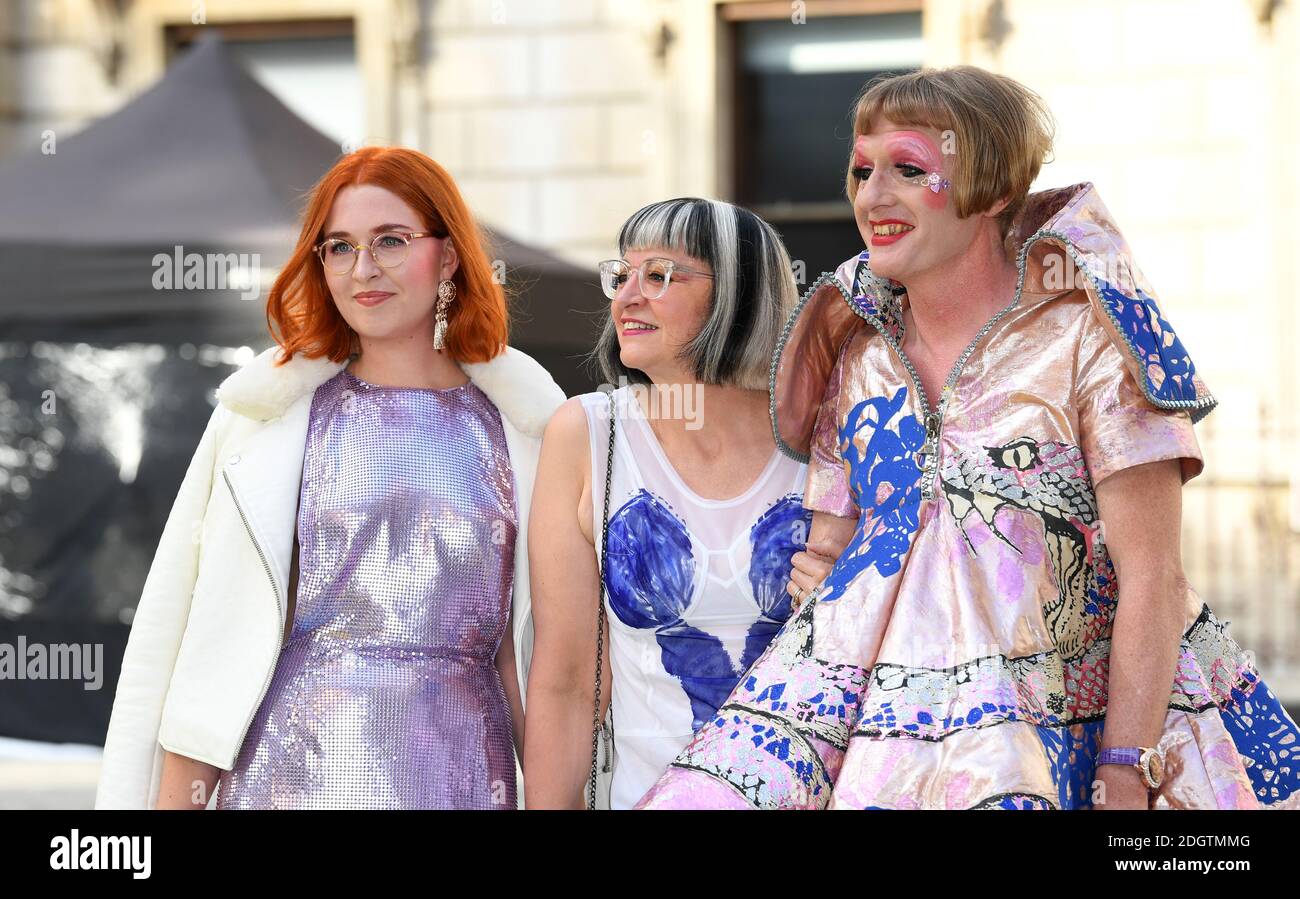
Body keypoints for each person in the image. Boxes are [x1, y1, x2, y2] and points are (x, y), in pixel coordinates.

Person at [637, 66, 1300, 810]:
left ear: (989, 189)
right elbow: (825, 560)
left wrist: (1124, 767)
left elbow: (1154, 576)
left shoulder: (1088, 337)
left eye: (908, 169)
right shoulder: (856, 356)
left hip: (1065, 745)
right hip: (882, 749)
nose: (870, 196)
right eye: (862, 170)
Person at [95, 146, 564, 809]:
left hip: (460, 775)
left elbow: (529, 663)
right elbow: (210, 643)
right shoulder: (266, 419)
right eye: (338, 247)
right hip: (286, 775)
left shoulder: (528, 430)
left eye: (391, 241)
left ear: (450, 255)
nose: (363, 269)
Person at [523, 198, 850, 808]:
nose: (626, 296)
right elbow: (566, 683)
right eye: (621, 275)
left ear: (738, 294)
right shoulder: (588, 433)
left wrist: (846, 599)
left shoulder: (828, 436)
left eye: (660, 275)